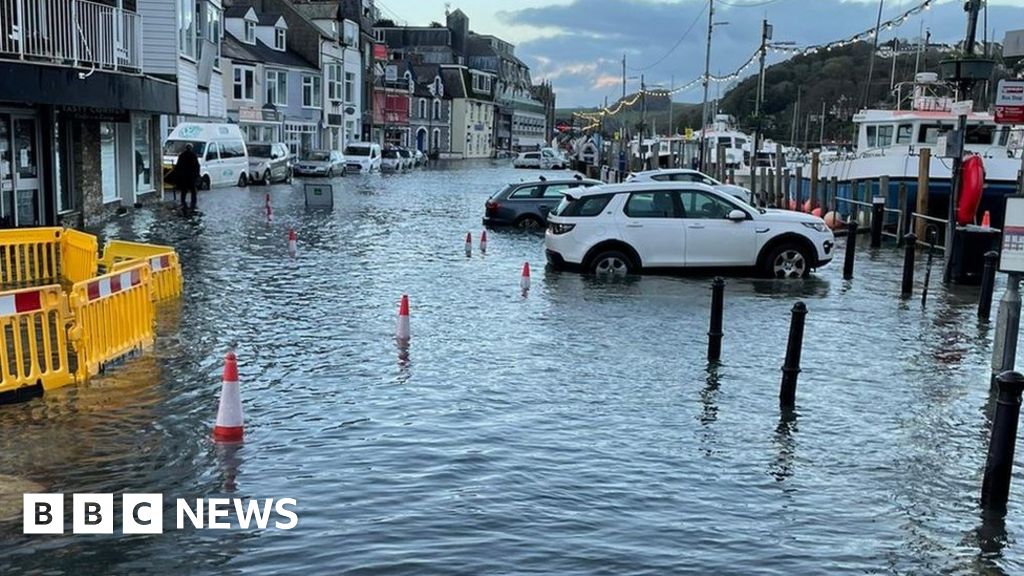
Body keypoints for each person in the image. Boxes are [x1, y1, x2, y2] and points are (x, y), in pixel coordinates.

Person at [174, 144, 201, 213]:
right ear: (191, 148)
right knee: (193, 191)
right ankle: (193, 203)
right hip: (191, 177)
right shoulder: (193, 155)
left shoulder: (182, 156)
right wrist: (197, 175)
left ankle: (183, 202)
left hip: (184, 177)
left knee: (184, 190)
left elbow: (178, 167)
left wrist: (178, 176)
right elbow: (197, 166)